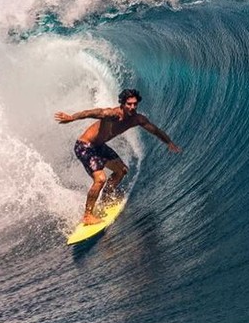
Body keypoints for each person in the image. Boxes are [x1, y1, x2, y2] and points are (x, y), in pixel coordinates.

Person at [54, 88, 182, 224]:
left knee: (122, 170)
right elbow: (92, 112)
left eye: (135, 104)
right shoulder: (112, 114)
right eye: (129, 104)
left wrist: (169, 142)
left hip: (99, 146)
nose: (132, 107)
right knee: (100, 179)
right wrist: (72, 117)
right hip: (85, 146)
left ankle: (106, 198)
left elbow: (155, 130)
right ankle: (87, 215)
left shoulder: (137, 119)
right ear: (122, 103)